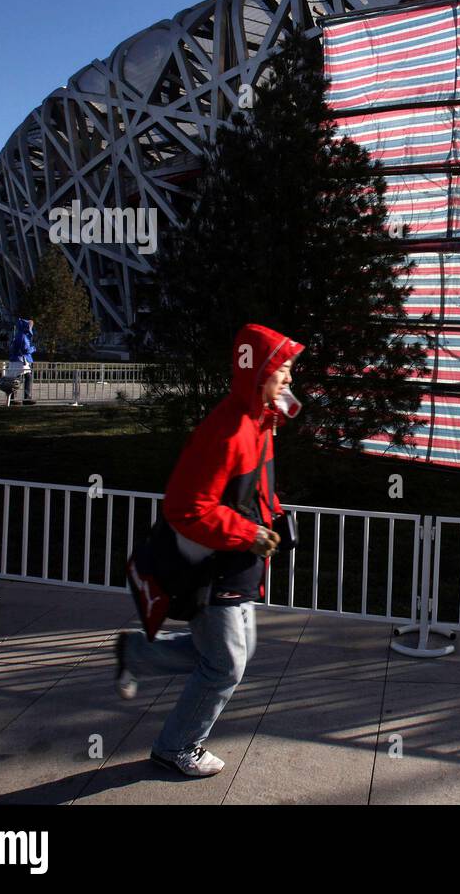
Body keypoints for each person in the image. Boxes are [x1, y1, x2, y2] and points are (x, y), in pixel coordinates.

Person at [115, 323, 304, 778]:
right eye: (285, 370)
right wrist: (250, 535)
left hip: (237, 564)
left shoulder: (260, 419)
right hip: (212, 569)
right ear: (259, 373)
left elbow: (252, 488)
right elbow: (186, 508)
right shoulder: (229, 429)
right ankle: (177, 746)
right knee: (224, 666)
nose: (291, 380)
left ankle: (138, 653)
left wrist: (271, 517)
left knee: (233, 652)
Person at [7, 318, 37, 404]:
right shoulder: (23, 336)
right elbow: (25, 350)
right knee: (23, 378)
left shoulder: (19, 334)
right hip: (20, 361)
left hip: (17, 360)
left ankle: (13, 398)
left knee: (19, 378)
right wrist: (33, 348)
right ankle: (25, 398)